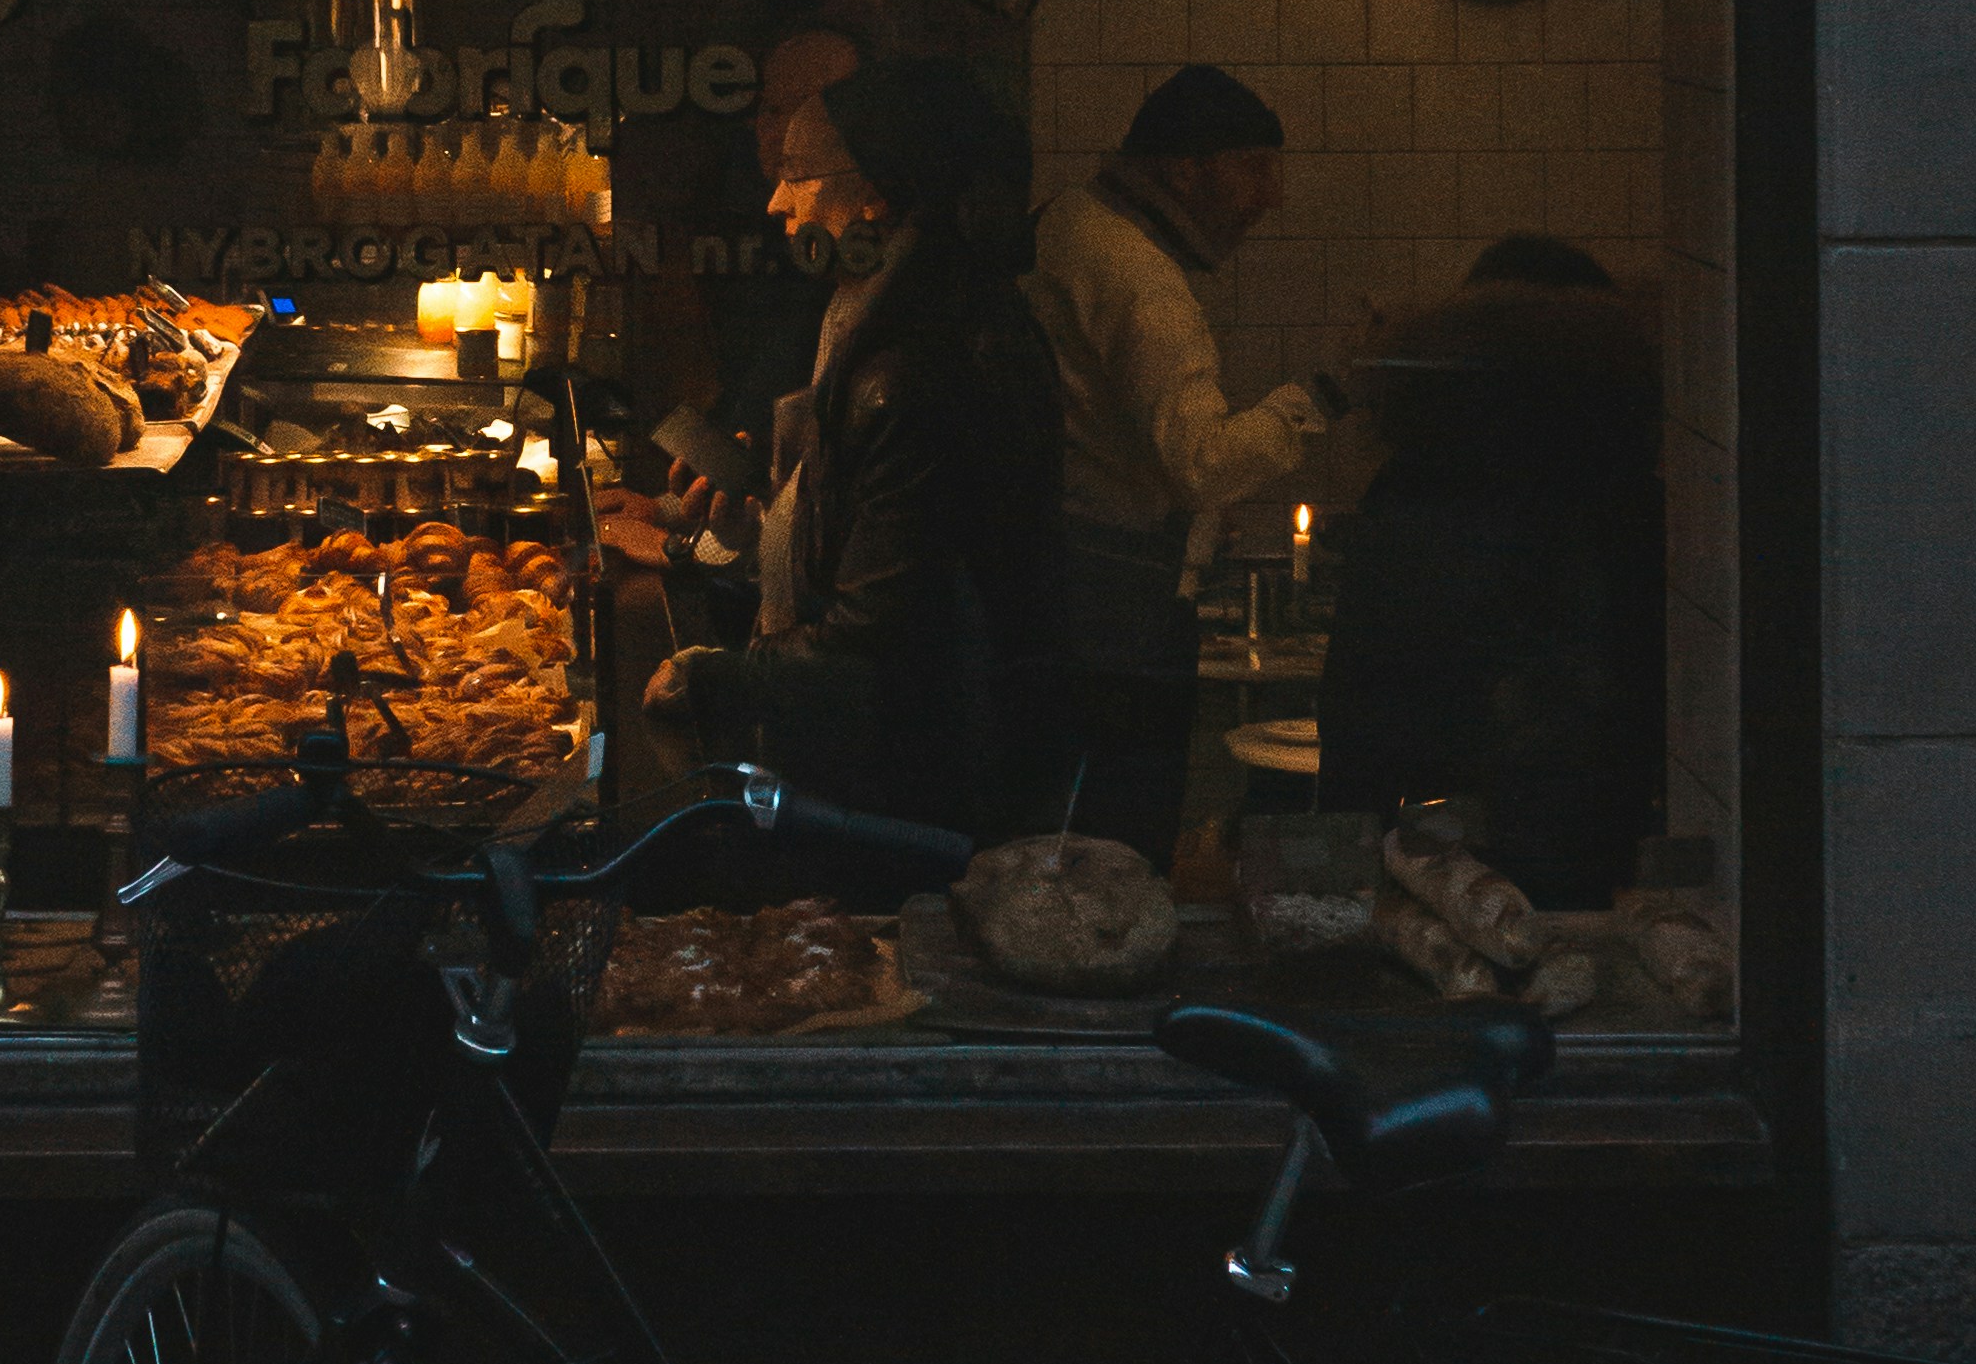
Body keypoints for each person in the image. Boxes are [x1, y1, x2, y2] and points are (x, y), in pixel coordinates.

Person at [641, 56, 1063, 825]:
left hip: (908, 792)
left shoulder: (910, 369)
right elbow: (866, 558)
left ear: (873, 194)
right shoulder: (877, 317)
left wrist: (714, 677)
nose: (776, 201)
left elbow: (878, 642)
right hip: (903, 765)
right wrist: (748, 536)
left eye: (797, 175)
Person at [1021, 63, 1342, 872]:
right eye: (1254, 168)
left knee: (1059, 835)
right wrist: (1329, 394)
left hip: (1054, 581)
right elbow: (1201, 463)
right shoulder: (1139, 276)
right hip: (1115, 607)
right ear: (1184, 170)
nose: (1272, 197)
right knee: (1122, 845)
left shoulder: (1065, 221)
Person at [1317, 235, 1665, 907]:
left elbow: (1360, 697)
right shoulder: (1624, 495)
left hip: (1435, 841)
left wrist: (1347, 865)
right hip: (1590, 831)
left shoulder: (1417, 482)